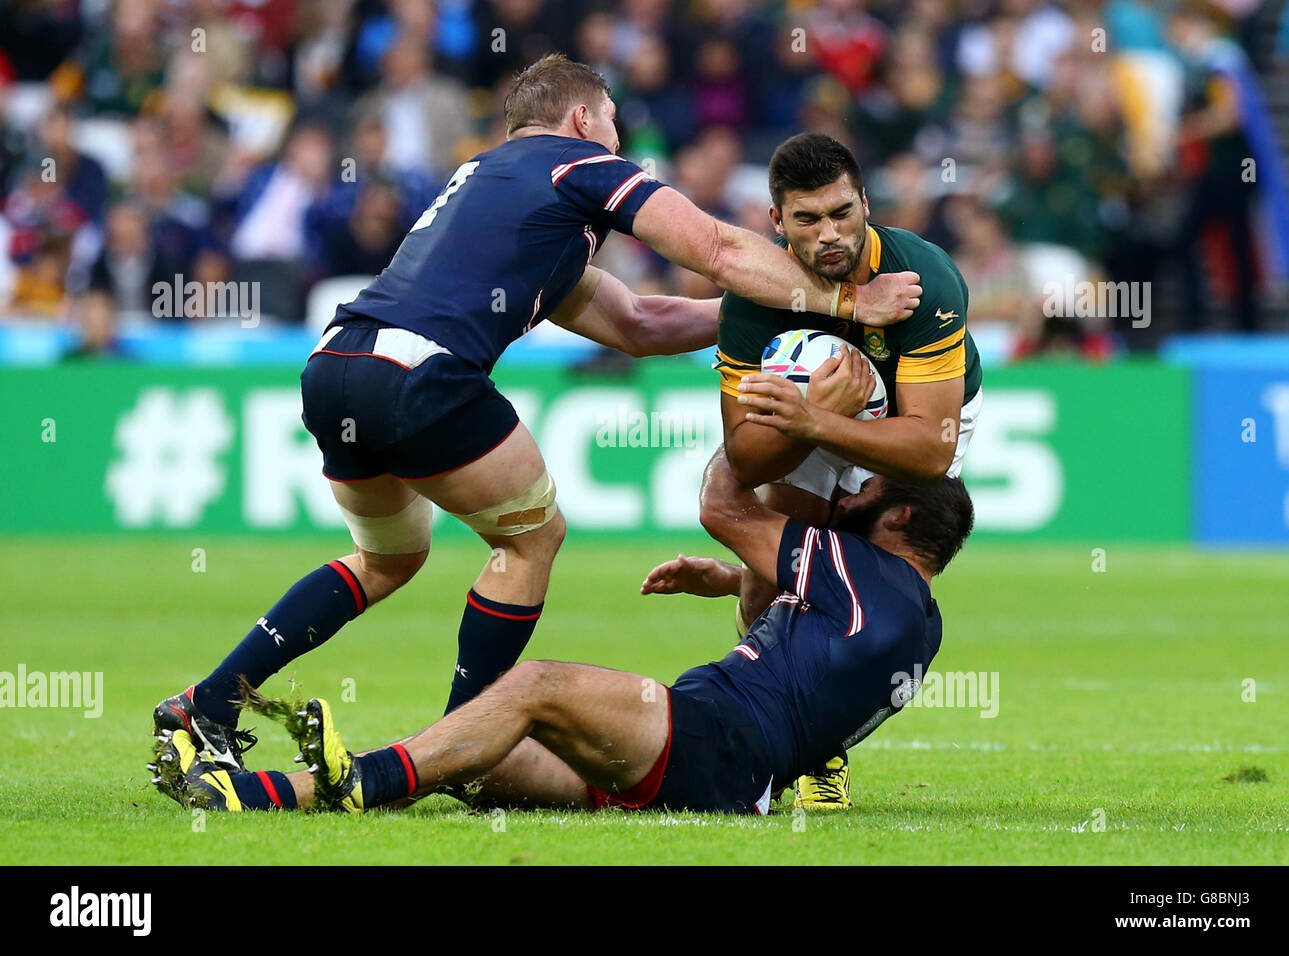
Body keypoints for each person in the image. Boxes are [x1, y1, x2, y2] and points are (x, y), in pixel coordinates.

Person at [151, 54, 922, 772]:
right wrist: (845, 302)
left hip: (338, 364)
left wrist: (784, 312)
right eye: (612, 120)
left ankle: (207, 703)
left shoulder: (497, 189)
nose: (619, 141)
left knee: (387, 559)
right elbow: (717, 249)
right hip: (423, 372)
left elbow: (641, 324)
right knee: (533, 539)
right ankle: (458, 748)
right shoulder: (579, 164)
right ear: (582, 118)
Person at [150, 452, 973, 816]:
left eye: (867, 487)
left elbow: (722, 505)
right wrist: (733, 582)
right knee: (470, 758)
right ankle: (251, 795)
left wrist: (761, 411)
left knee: (534, 685)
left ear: (901, 517)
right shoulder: (917, 622)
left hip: (711, 736)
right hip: (735, 777)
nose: (847, 492)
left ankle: (352, 783)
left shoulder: (865, 568)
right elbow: (816, 651)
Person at [707, 132, 983, 808]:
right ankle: (801, 746)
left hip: (919, 421)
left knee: (878, 590)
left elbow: (931, 449)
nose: (829, 233)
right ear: (776, 221)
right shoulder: (752, 296)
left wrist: (814, 422)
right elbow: (745, 456)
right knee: (769, 578)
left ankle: (818, 731)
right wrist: (813, 419)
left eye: (841, 212)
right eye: (807, 219)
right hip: (815, 415)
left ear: (865, 202)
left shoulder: (925, 277)